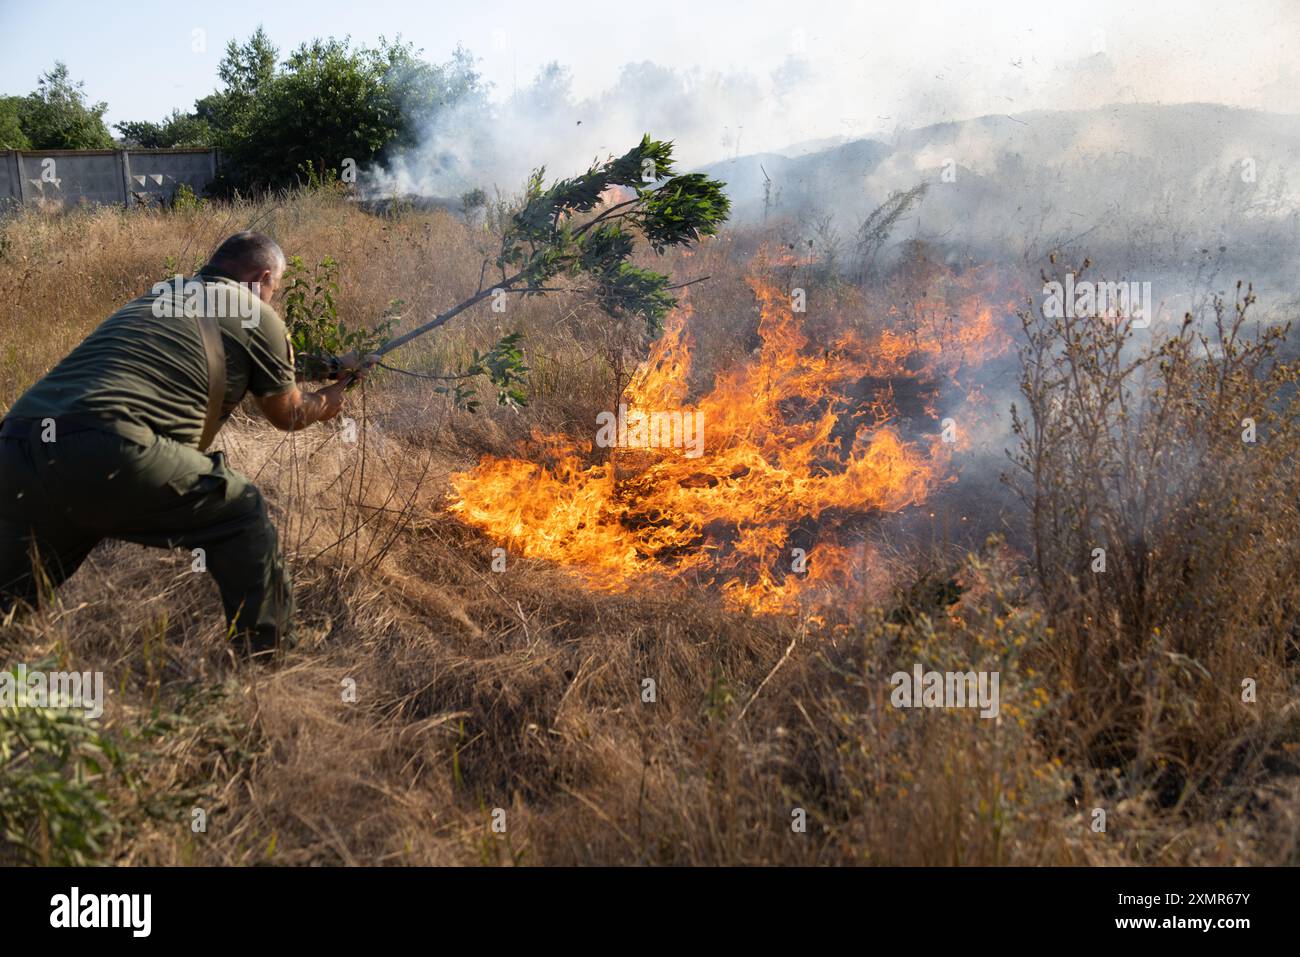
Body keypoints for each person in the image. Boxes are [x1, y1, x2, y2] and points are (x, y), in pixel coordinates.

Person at [0, 231, 365, 657]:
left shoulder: (162, 296)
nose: (272, 301)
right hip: (107, 448)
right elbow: (289, 413)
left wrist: (336, 366)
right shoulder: (255, 311)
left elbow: (256, 360)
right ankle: (272, 654)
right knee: (241, 508)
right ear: (263, 277)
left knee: (12, 596)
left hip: (17, 445)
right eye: (275, 290)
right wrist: (330, 401)